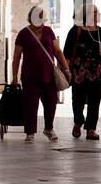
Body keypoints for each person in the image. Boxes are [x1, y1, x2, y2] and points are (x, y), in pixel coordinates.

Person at [11, 7, 71, 142]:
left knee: (51, 103)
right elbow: (16, 57)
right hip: (30, 76)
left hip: (48, 75)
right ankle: (30, 132)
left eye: (41, 17)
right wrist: (14, 76)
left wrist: (66, 69)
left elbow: (57, 51)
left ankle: (48, 128)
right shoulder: (23, 34)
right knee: (31, 104)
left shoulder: (49, 31)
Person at [63, 4, 101, 140]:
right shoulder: (76, 31)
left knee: (95, 102)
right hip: (79, 73)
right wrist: (66, 70)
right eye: (95, 12)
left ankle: (91, 129)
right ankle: (78, 122)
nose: (98, 15)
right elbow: (67, 53)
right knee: (78, 100)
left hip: (98, 73)